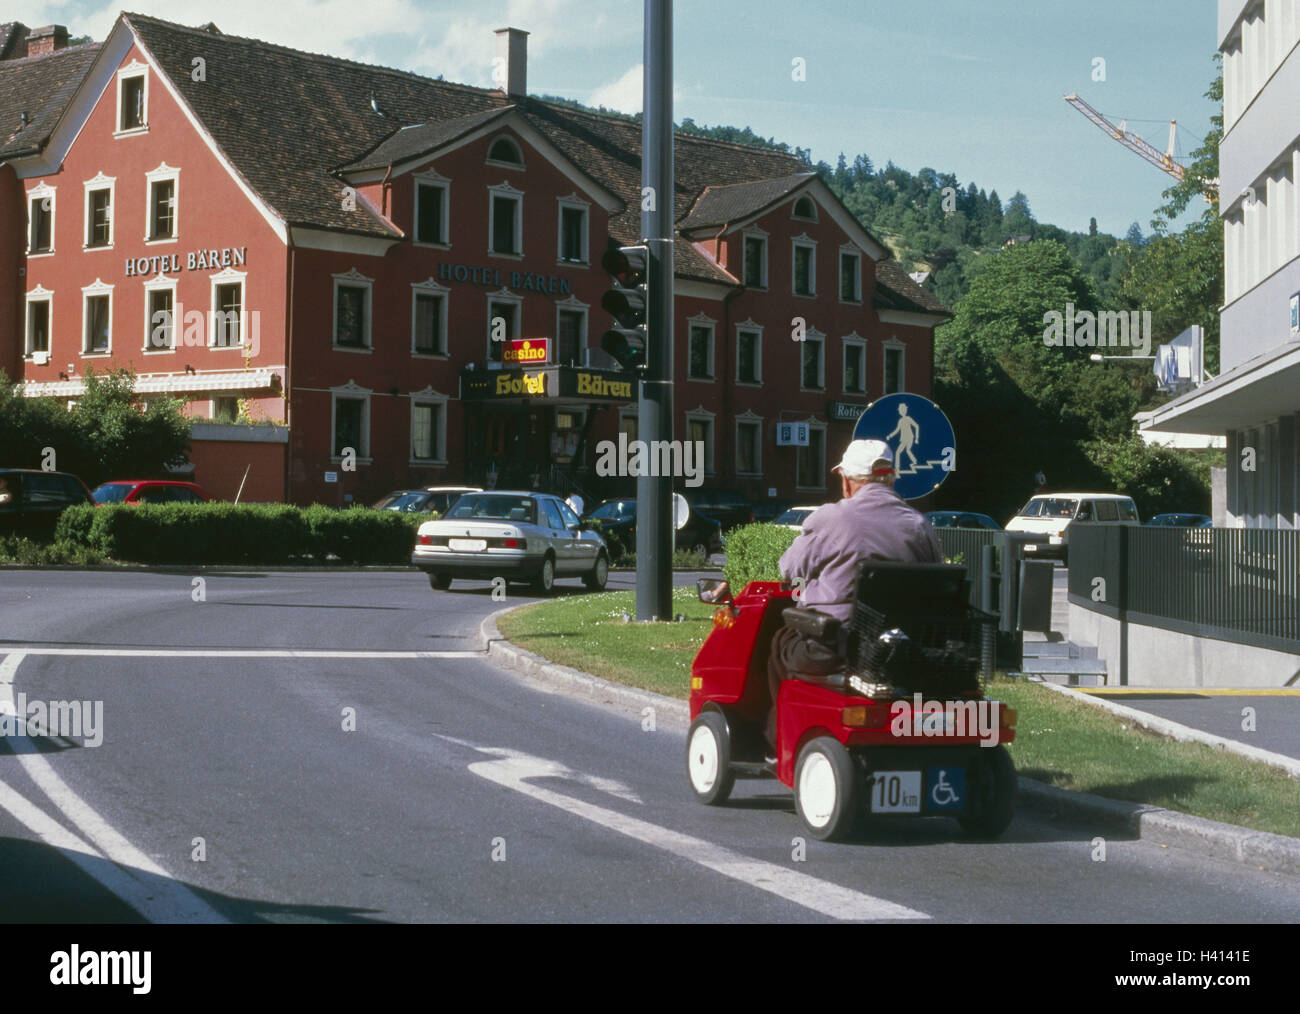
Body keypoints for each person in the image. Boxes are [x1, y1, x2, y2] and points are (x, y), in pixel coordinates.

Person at [766, 438, 942, 749]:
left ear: (847, 481)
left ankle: (776, 742)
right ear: (890, 479)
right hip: (900, 651)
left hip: (834, 649)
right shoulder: (919, 525)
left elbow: (788, 569)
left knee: (780, 646)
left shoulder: (833, 517)